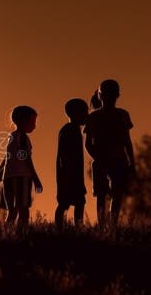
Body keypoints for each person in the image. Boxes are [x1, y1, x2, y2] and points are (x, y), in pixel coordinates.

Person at [84, 80, 135, 229]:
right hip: (104, 160)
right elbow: (88, 143)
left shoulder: (122, 115)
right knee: (103, 194)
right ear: (100, 95)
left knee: (115, 193)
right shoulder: (93, 117)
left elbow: (127, 142)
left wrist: (131, 162)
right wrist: (98, 158)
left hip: (118, 160)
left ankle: (111, 224)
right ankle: (103, 225)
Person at [0, 106, 43, 228]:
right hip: (22, 177)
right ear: (22, 121)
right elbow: (26, 158)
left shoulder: (11, 137)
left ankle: (7, 235)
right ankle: (22, 235)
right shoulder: (23, 137)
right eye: (32, 122)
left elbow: (6, 160)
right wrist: (35, 178)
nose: (34, 126)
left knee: (12, 211)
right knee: (23, 211)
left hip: (8, 178)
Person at [54, 99, 89, 230]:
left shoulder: (75, 130)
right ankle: (59, 229)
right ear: (75, 113)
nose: (87, 115)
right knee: (64, 203)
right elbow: (64, 155)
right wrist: (67, 175)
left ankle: (78, 228)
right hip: (67, 175)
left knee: (80, 202)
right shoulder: (68, 130)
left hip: (75, 176)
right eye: (85, 112)